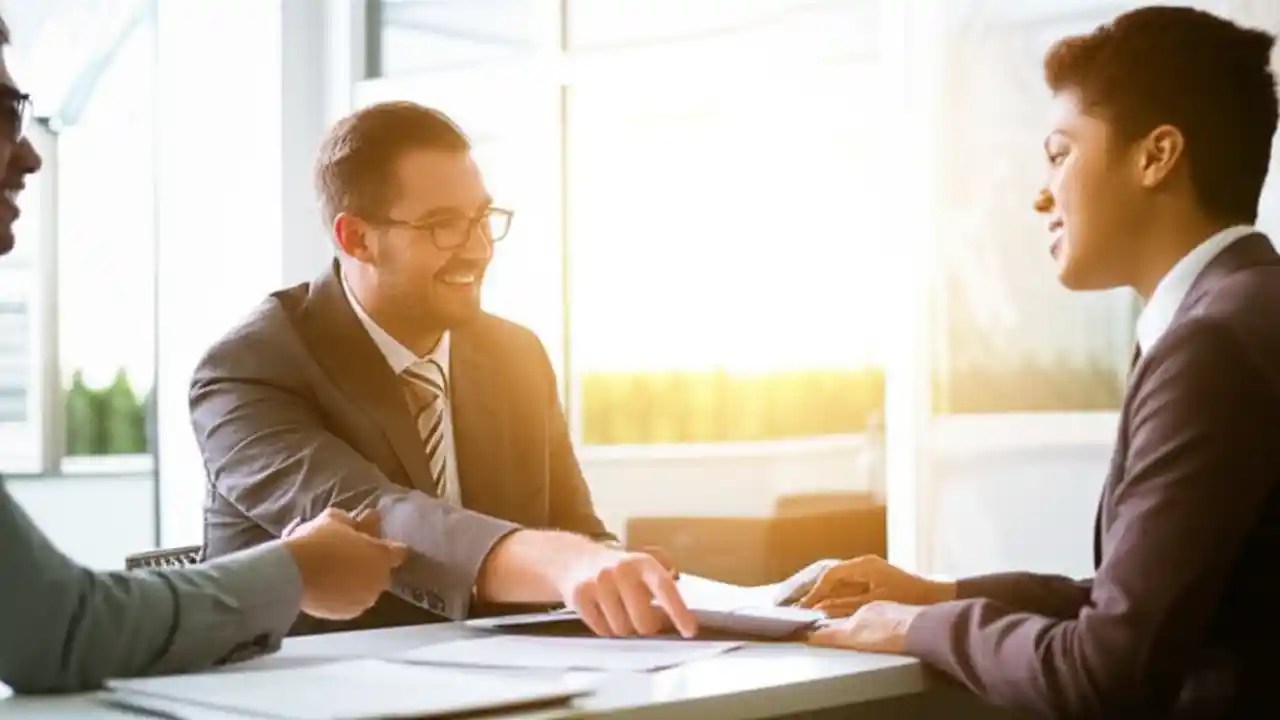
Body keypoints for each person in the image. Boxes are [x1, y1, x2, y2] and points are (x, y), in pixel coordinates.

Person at [798, 7, 1280, 718]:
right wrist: (940, 595)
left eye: (1060, 153)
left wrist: (915, 627)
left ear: (1156, 156)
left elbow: (1104, 674)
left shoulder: (1210, 347)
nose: (1041, 194)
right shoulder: (1247, 309)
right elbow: (1150, 604)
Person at [0, 17, 408, 694]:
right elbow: (61, 628)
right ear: (354, 237)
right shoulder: (252, 360)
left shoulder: (511, 356)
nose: (31, 155)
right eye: (7, 110)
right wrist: (297, 569)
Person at [190, 102, 695, 639]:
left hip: (506, 682)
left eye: (481, 219)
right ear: (356, 238)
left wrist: (614, 567)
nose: (478, 249)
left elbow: (573, 531)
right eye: (444, 226)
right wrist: (565, 564)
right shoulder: (247, 370)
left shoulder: (515, 355)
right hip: (305, 690)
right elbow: (376, 517)